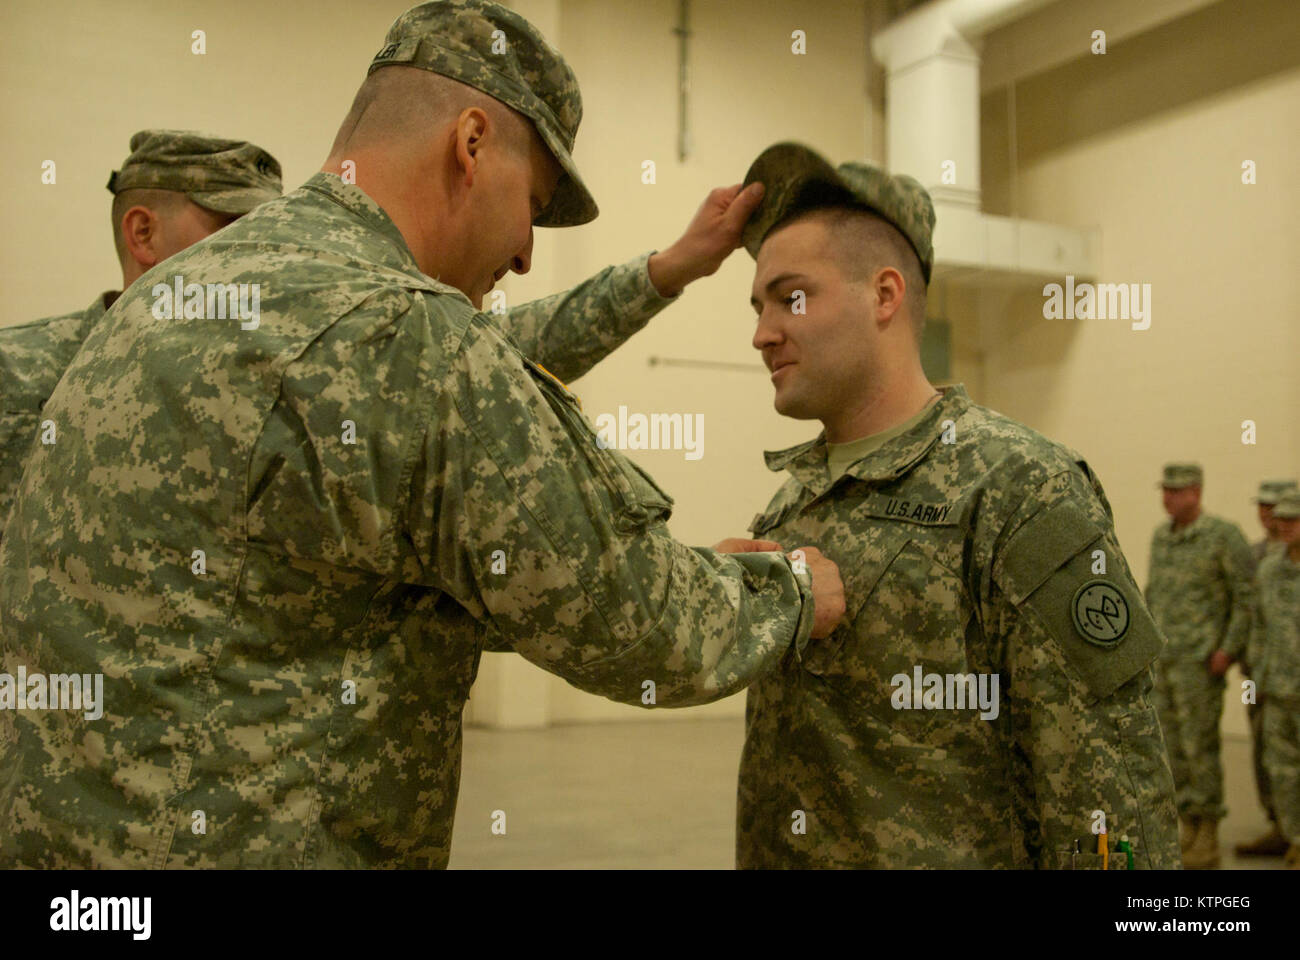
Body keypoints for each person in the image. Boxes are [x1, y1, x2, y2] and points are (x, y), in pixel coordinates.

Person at [0, 0, 845, 869]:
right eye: (534, 203)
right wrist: (782, 591)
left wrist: (663, 271)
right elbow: (637, 623)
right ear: (470, 143)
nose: (523, 254)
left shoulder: (163, 304)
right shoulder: (406, 338)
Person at [728, 141, 1179, 868]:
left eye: (792, 297)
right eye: (757, 306)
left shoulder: (1018, 487)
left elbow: (1106, 788)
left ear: (884, 295)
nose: (761, 333)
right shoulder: (790, 511)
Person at [0, 130, 282, 540]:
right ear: (143, 233)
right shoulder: (15, 372)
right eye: (235, 234)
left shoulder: (270, 383)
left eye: (271, 238)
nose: (265, 257)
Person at [1145, 462, 1255, 869]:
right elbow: (1152, 593)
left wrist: (1228, 649)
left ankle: (1207, 830)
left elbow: (1245, 597)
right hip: (1166, 660)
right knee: (1171, 748)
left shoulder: (1222, 536)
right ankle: (1186, 824)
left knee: (1201, 748)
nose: (1168, 498)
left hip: (1200, 663)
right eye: (1165, 490)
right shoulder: (1162, 537)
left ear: (1196, 492)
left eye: (1176, 491)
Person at [1236, 477, 1298, 857]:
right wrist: (1258, 671)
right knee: (1279, 767)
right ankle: (1290, 835)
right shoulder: (1269, 567)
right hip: (1274, 686)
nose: (1281, 522)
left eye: (1292, 518)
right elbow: (1257, 623)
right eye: (1281, 517)